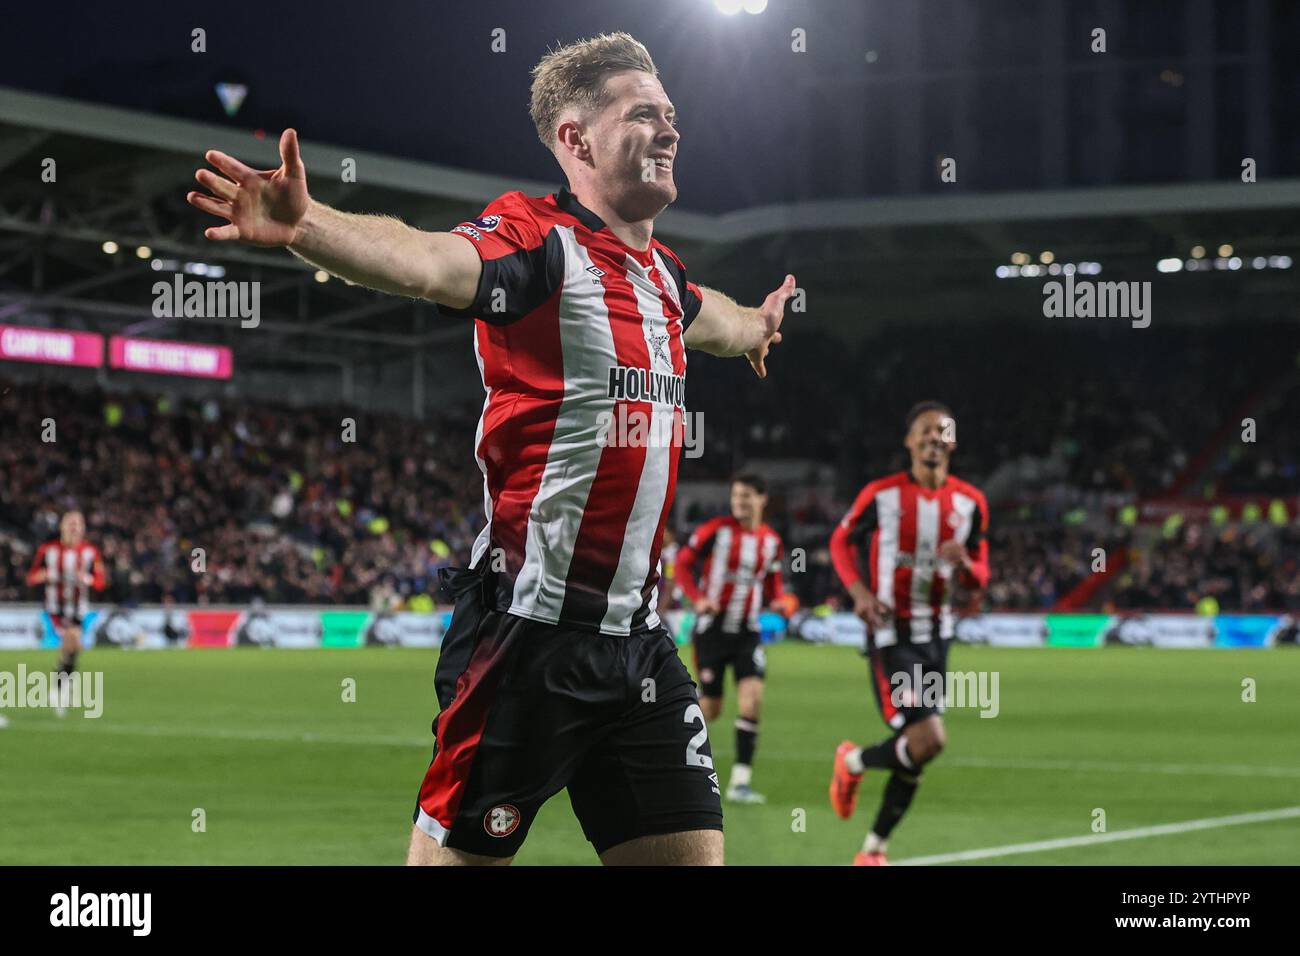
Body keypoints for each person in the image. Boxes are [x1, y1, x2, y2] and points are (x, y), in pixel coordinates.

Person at [188, 32, 794, 866]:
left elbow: (719, 321)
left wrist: (760, 325)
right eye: (643, 114)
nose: (668, 129)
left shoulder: (665, 281)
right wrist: (309, 225)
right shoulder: (539, 240)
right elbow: (432, 262)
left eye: (672, 115)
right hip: (528, 641)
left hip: (642, 646)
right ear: (576, 139)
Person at [827, 402, 989, 865]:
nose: (934, 438)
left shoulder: (971, 503)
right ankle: (853, 766)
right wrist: (859, 592)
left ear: (953, 442)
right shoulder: (882, 496)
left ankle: (872, 848)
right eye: (924, 431)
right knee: (929, 740)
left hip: (937, 635)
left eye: (943, 431)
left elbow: (981, 573)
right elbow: (841, 540)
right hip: (891, 634)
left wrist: (968, 567)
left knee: (919, 748)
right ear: (910, 442)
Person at [674, 473, 784, 804]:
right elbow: (682, 564)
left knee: (752, 701)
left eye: (746, 496)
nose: (739, 501)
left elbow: (773, 583)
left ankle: (740, 782)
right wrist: (698, 598)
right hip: (713, 631)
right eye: (736, 495)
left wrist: (778, 600)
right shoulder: (715, 531)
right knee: (711, 705)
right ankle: (671, 756)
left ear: (762, 499)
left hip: (748, 631)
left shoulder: (771, 541)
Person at [26, 510, 106, 717]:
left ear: (84, 528)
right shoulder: (48, 550)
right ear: (61, 526)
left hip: (79, 607)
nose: (74, 527)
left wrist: (85, 579)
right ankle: (58, 691)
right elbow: (31, 577)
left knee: (73, 648)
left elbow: (100, 582)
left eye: (78, 523)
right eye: (70, 522)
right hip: (56, 608)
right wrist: (43, 576)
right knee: (72, 639)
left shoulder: (90, 551)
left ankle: (59, 684)